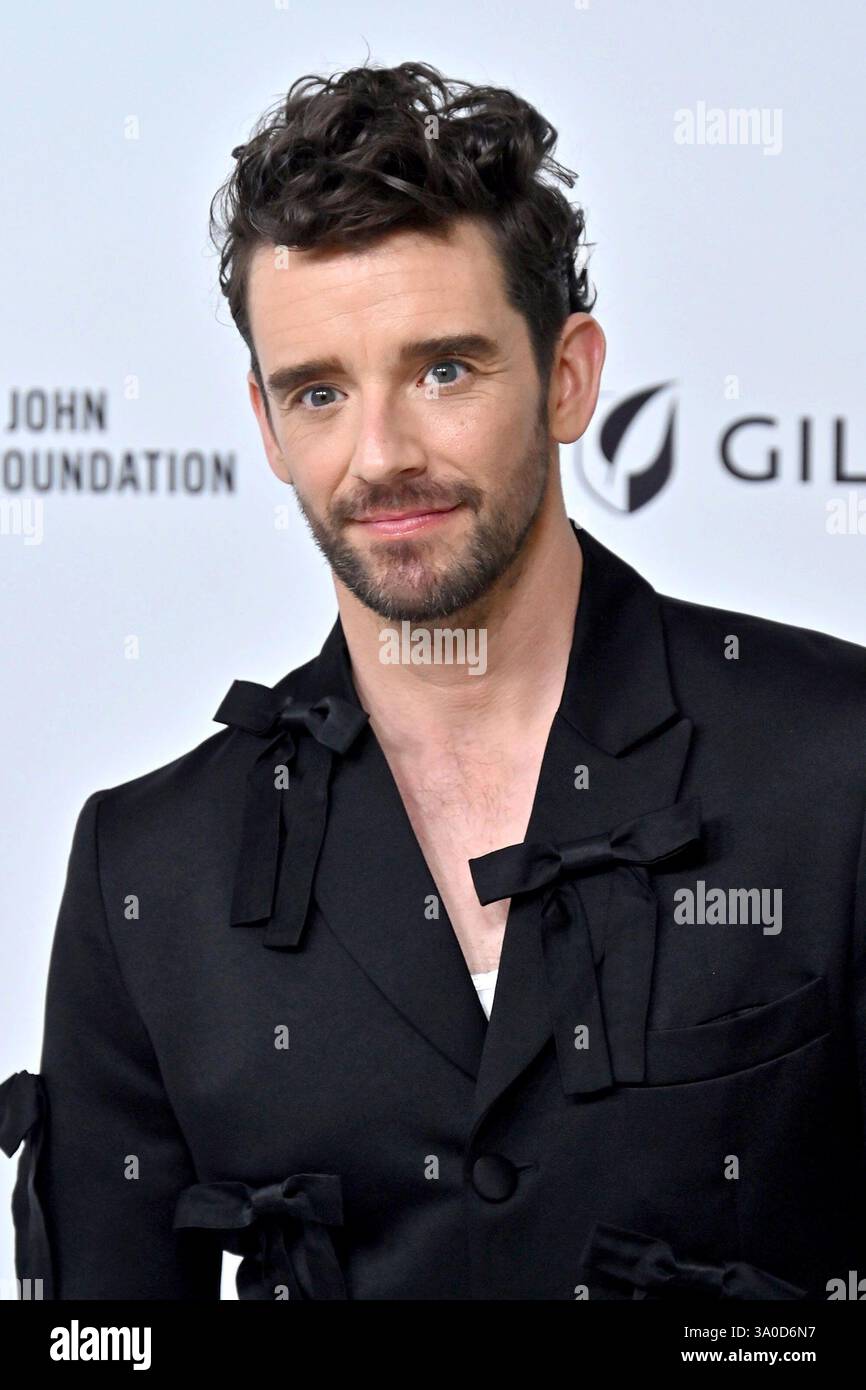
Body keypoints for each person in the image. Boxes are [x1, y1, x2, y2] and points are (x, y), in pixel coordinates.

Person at [3, 60, 866, 1302]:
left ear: (566, 377)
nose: (382, 456)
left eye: (445, 371)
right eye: (319, 391)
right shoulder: (147, 870)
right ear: (264, 420)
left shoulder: (833, 767)